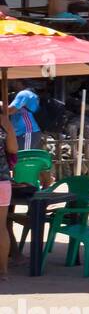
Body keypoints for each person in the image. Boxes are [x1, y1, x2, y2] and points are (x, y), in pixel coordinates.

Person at [0, 107, 18, 277]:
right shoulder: (3, 122)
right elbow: (13, 149)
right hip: (2, 181)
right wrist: (8, 127)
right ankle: (3, 270)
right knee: (1, 227)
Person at [7, 83, 42, 151]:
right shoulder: (29, 94)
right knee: (22, 159)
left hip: (27, 132)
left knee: (25, 158)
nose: (11, 83)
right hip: (23, 133)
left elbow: (10, 110)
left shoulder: (24, 94)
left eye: (13, 81)